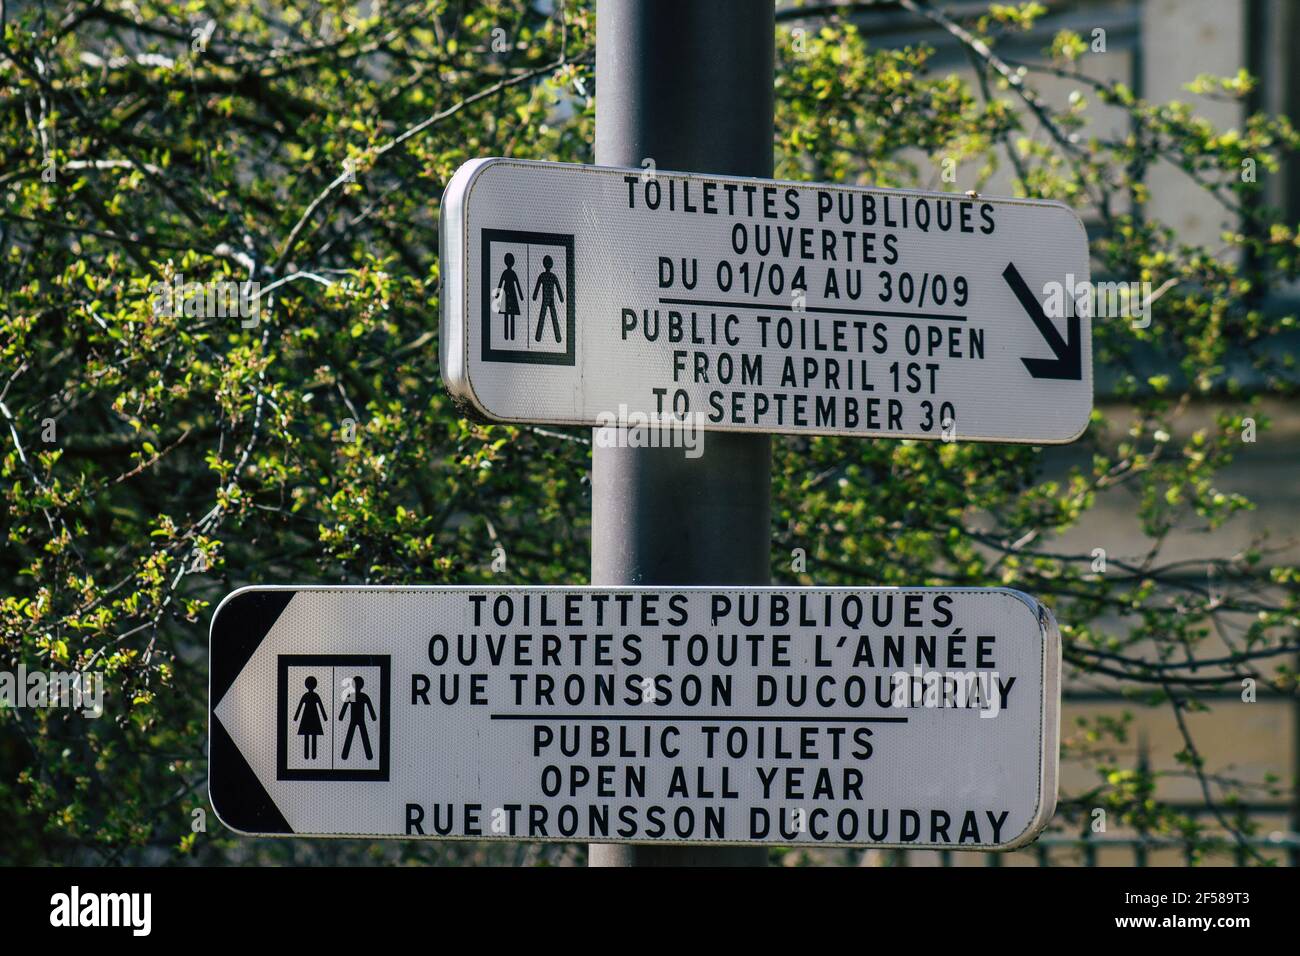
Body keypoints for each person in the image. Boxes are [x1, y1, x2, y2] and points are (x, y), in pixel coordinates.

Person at [339, 675, 376, 761]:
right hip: (358, 719)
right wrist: (373, 717)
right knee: (362, 735)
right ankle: (368, 755)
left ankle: (345, 755)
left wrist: (341, 716)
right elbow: (370, 708)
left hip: (356, 719)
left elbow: (345, 707)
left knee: (352, 735)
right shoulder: (362, 696)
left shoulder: (354, 695)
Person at [293, 676, 327, 760]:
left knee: (309, 735)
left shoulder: (309, 695)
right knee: (310, 735)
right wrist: (324, 717)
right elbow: (301, 706)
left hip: (308, 716)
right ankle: (309, 755)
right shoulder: (313, 695)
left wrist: (296, 717)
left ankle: (309, 755)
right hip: (311, 716)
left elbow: (301, 706)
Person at [532, 254, 564, 343]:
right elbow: (558, 287)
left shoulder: (543, 275)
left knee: (544, 317)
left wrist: (535, 296)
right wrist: (561, 298)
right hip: (549, 299)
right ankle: (557, 338)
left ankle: (539, 337)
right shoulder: (552, 276)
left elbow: (538, 287)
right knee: (552, 317)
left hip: (547, 299)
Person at [495, 253, 524, 340]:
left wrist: (497, 294)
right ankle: (509, 336)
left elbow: (516, 284)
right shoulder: (510, 273)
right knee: (509, 315)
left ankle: (510, 336)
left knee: (508, 315)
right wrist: (521, 296)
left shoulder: (507, 273)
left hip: (508, 294)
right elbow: (502, 283)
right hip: (510, 294)